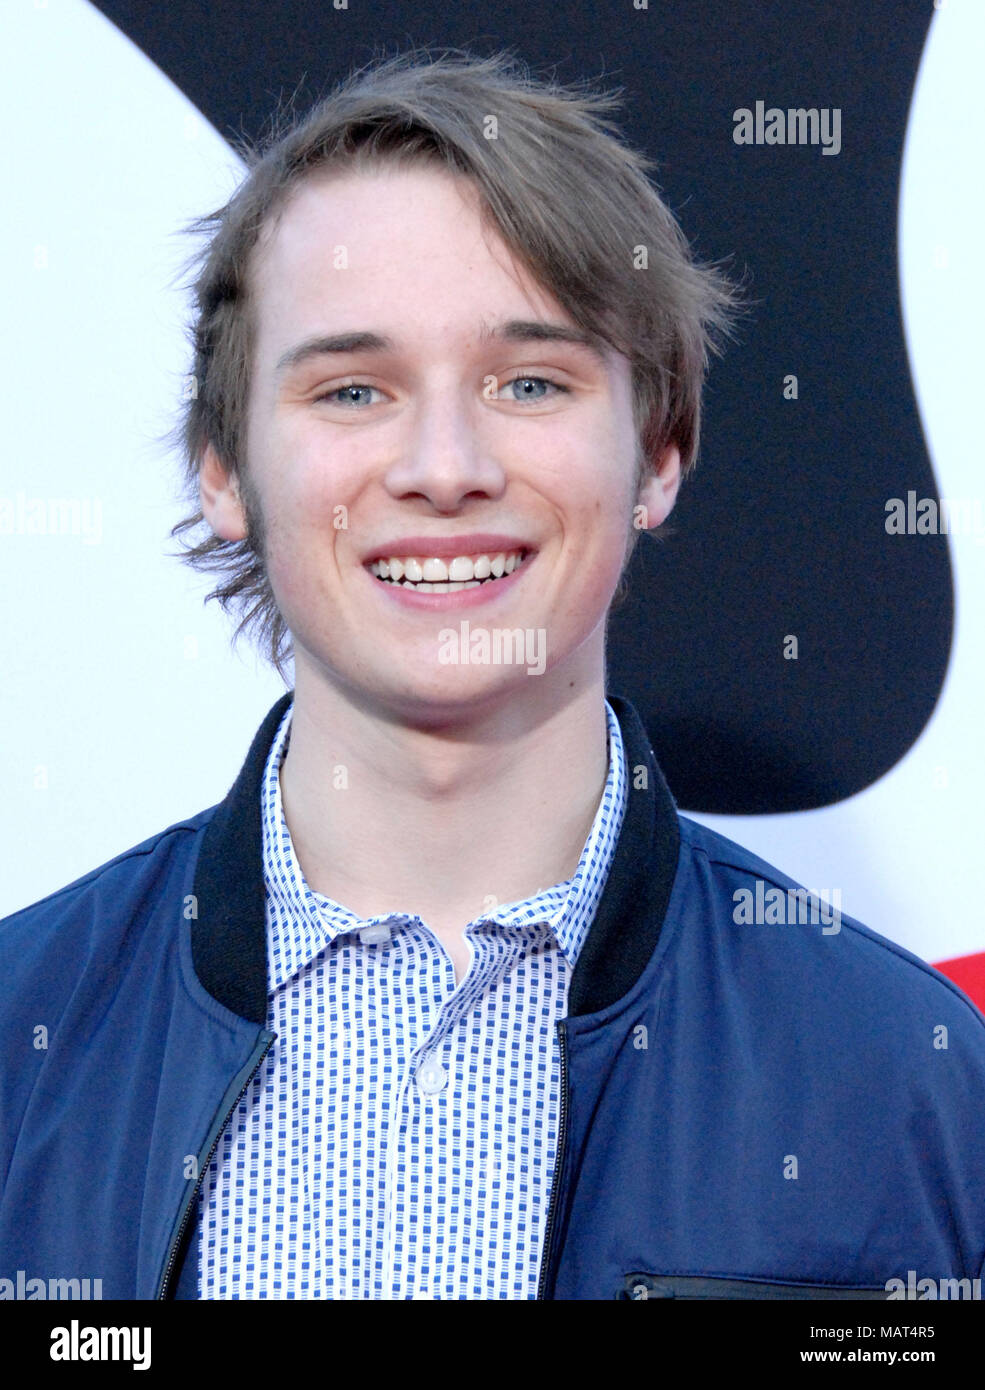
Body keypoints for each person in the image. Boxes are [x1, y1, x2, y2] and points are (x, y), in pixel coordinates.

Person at [1, 48, 983, 1303]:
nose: (445, 463)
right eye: (353, 388)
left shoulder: (912, 1084)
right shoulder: (21, 1041)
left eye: (529, 381)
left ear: (660, 450)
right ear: (222, 470)